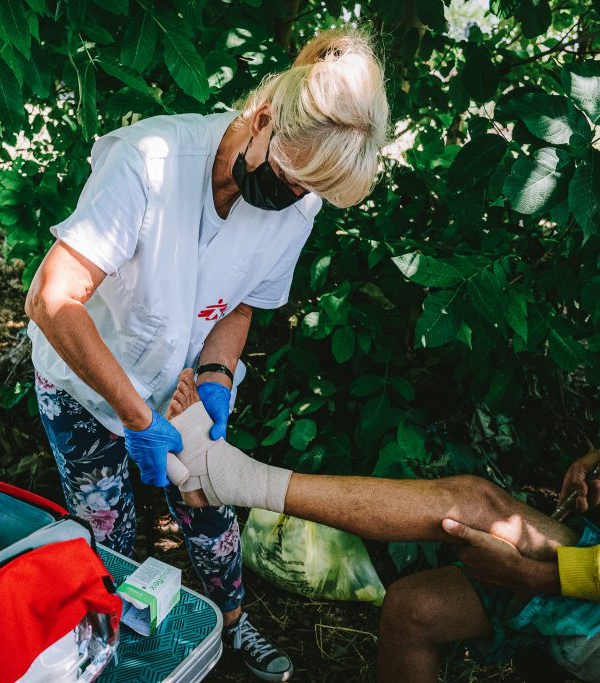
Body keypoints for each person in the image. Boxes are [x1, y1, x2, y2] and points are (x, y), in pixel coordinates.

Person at [25, 27, 389, 681]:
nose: (294, 198)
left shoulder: (298, 202)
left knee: (207, 503)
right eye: (289, 177)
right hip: (83, 379)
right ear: (264, 118)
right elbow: (52, 300)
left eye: (311, 191)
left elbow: (241, 302)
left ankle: (229, 622)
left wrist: (217, 377)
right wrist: (136, 416)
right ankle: (117, 640)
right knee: (106, 522)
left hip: (180, 378)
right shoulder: (149, 163)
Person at [165, 368, 600, 683]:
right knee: (412, 610)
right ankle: (224, 478)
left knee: (475, 502)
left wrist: (531, 576)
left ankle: (226, 479)